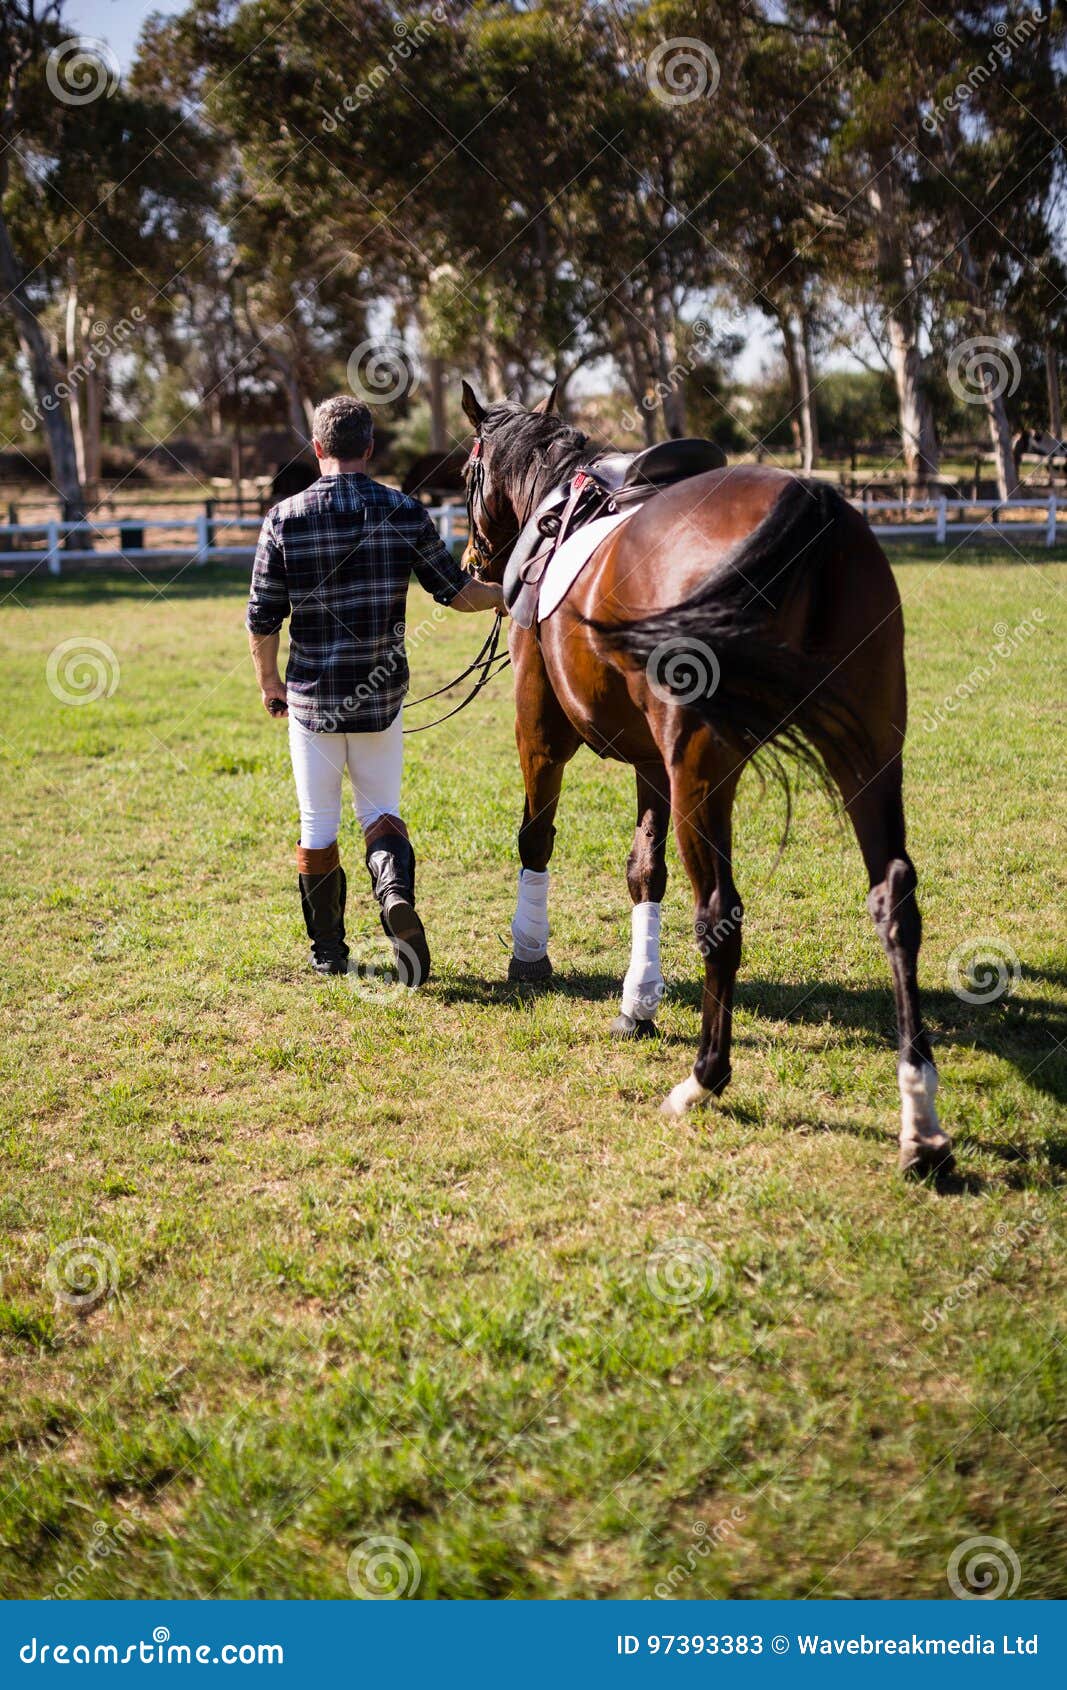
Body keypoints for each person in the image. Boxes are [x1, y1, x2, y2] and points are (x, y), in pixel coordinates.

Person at [246, 394, 503, 984]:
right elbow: (456, 591)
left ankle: (329, 953)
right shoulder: (403, 511)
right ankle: (393, 899)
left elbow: (263, 616)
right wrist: (508, 596)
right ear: (369, 448)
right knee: (382, 813)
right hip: (380, 697)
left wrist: (269, 682)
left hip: (311, 700)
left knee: (318, 825)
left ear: (317, 450)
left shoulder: (283, 517)